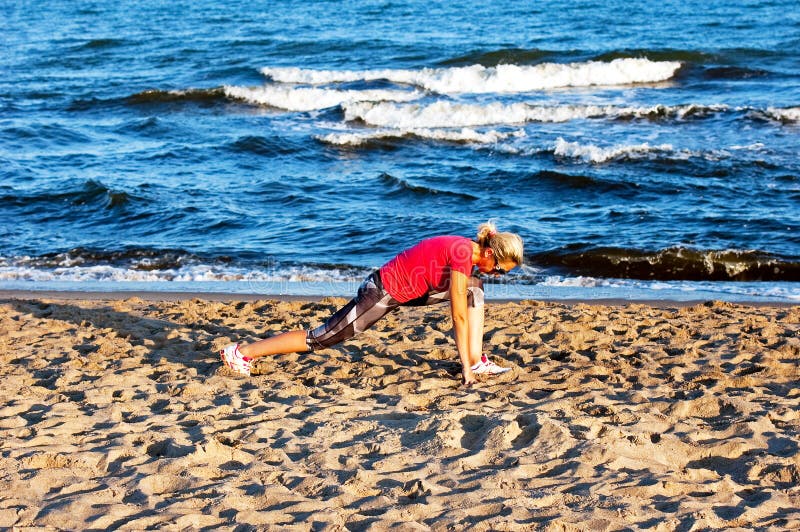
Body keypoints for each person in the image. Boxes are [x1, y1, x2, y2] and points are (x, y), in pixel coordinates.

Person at [220, 221, 523, 385]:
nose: (496, 273)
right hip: (381, 292)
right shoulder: (461, 254)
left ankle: (476, 361)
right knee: (322, 337)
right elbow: (458, 317)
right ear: (489, 254)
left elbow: (461, 302)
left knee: (476, 289)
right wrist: (463, 376)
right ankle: (242, 353)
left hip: (409, 291)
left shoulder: (465, 253)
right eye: (499, 268)